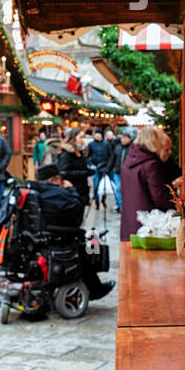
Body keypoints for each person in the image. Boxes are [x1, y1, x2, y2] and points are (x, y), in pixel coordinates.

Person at [34, 165, 115, 300]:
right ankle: (95, 287)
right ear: (52, 180)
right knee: (92, 239)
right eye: (60, 179)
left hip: (44, 233)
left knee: (89, 237)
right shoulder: (57, 193)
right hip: (60, 235)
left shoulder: (36, 192)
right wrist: (71, 189)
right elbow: (78, 209)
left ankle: (92, 283)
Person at [119, 124, 179, 241]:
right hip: (149, 224)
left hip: (130, 222)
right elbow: (159, 196)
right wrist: (177, 208)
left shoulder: (130, 159)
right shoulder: (151, 164)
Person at [55, 127, 92, 206]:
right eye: (80, 137)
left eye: (83, 137)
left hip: (81, 191)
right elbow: (64, 172)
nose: (83, 140)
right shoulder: (67, 153)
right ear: (73, 138)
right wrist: (84, 173)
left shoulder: (80, 152)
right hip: (72, 192)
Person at [86, 129, 113, 208]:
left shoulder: (107, 144)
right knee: (96, 185)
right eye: (96, 134)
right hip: (95, 167)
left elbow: (111, 156)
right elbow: (88, 156)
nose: (97, 136)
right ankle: (97, 201)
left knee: (104, 186)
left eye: (99, 134)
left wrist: (108, 167)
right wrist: (91, 165)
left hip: (105, 167)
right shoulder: (91, 144)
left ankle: (103, 200)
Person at [109, 130, 132, 212]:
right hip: (117, 172)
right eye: (122, 138)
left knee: (127, 190)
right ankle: (120, 205)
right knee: (118, 189)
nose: (123, 140)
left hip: (128, 174)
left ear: (130, 139)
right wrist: (108, 169)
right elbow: (112, 158)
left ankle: (126, 205)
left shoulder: (132, 148)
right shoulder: (117, 147)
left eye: (125, 138)